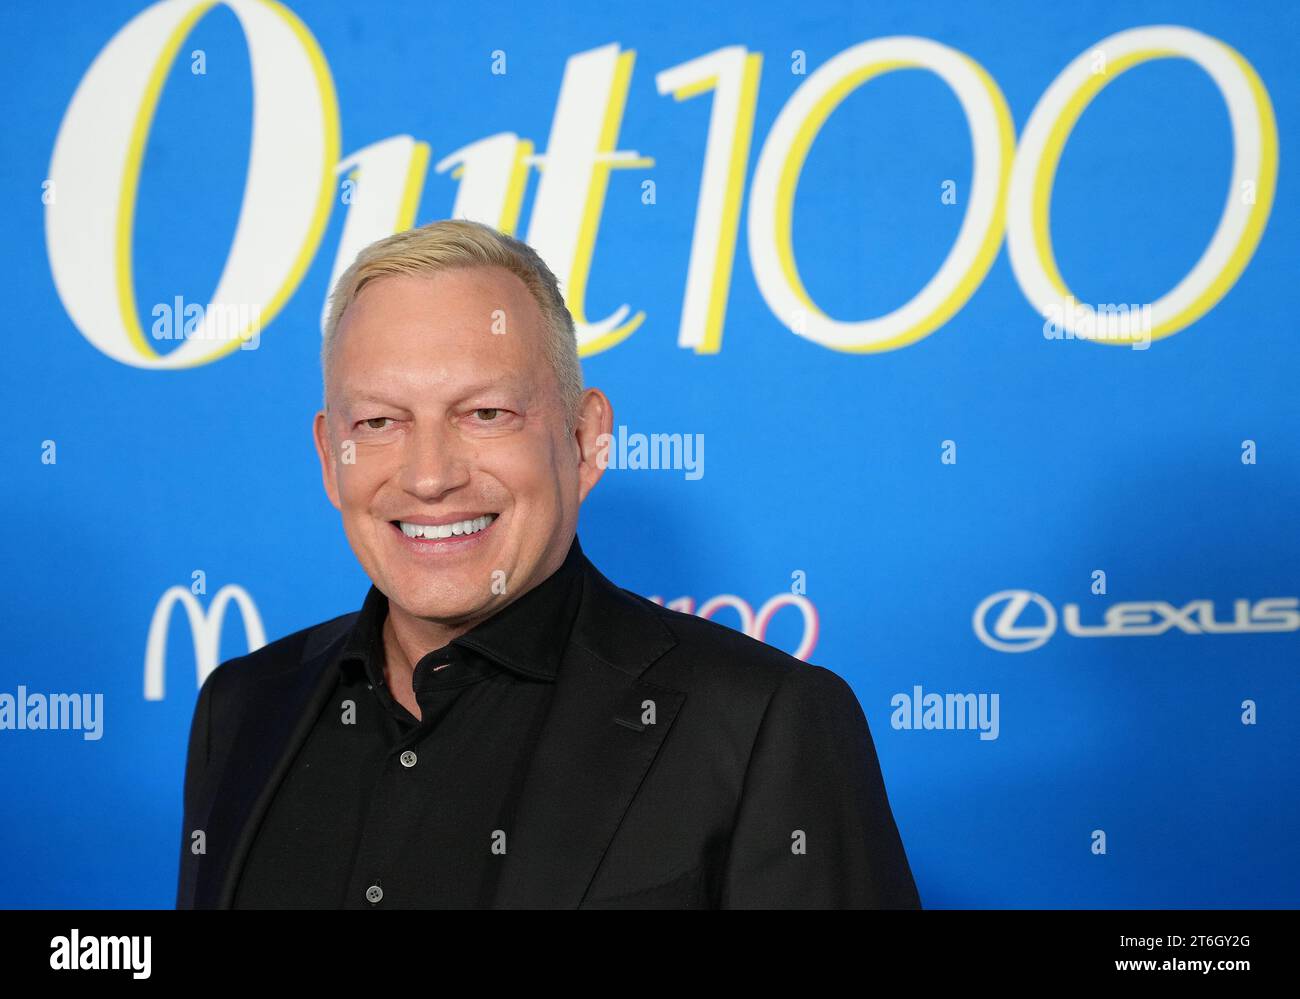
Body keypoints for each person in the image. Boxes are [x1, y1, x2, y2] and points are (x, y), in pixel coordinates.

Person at [175, 218, 920, 909]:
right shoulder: (242, 710)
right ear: (329, 457)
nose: (430, 475)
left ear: (584, 436)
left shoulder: (762, 724)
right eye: (378, 422)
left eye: (485, 413)